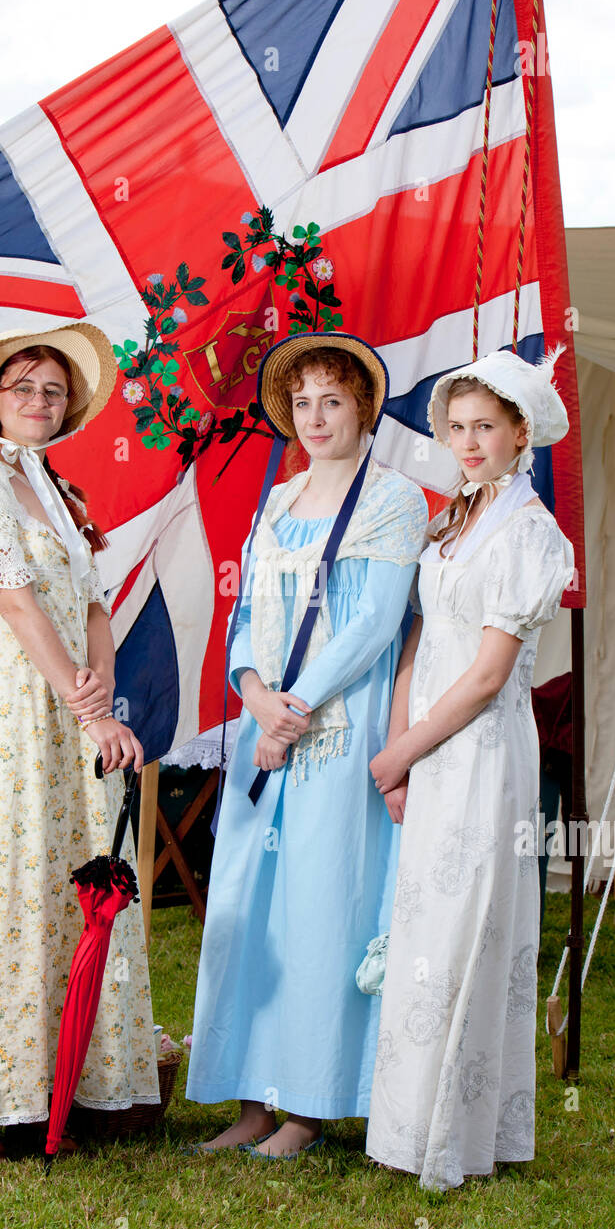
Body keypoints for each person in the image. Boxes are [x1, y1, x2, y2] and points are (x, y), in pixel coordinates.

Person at [0, 322, 159, 1156]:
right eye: (23, 387)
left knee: (65, 873)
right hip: (3, 704)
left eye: (52, 391)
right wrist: (86, 707)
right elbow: (14, 599)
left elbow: (92, 603)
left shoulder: (58, 489)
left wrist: (101, 689)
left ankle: (66, 1081)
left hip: (63, 701)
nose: (38, 402)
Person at [185, 332, 427, 1158]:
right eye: (302, 402)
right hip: (267, 729)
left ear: (363, 406)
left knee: (324, 904)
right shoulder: (278, 503)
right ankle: (251, 1098)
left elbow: (374, 622)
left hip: (337, 725)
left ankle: (310, 1105)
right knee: (253, 912)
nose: (315, 416)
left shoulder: (396, 500)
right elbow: (245, 616)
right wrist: (255, 695)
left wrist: (298, 708)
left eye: (333, 400)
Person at [365, 346, 575, 1190]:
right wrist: (397, 749)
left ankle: (458, 1133)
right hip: (425, 748)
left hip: (483, 751)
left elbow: (488, 676)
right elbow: (421, 640)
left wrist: (402, 752)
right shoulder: (451, 518)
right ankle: (408, 1128)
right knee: (423, 929)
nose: (469, 441)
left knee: (469, 930)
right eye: (456, 428)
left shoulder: (531, 533)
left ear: (522, 433)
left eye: (485, 426)